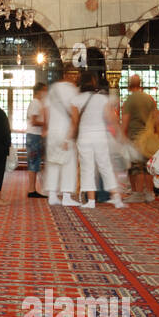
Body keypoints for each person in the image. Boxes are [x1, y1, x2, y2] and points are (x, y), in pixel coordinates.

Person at [72, 73, 126, 209]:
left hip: (84, 137)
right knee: (105, 166)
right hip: (100, 136)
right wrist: (119, 134)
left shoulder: (76, 100)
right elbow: (111, 118)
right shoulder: (102, 99)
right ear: (93, 82)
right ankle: (116, 198)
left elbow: (74, 122)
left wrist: (71, 137)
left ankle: (91, 201)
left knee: (87, 168)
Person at [43, 66, 81, 206]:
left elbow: (46, 110)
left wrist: (47, 127)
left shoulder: (53, 89)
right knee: (68, 164)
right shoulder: (73, 91)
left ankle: (52, 195)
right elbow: (75, 116)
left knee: (53, 163)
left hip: (53, 131)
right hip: (66, 131)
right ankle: (66, 196)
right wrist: (71, 135)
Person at [121, 74, 159, 202]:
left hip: (134, 137)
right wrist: (157, 134)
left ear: (129, 86)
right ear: (140, 84)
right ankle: (149, 193)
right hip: (148, 137)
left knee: (135, 167)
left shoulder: (129, 100)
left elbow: (125, 121)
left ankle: (136, 193)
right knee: (148, 167)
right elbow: (156, 117)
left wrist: (122, 137)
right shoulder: (149, 99)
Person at [25, 83, 47, 198]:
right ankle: (31, 190)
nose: (46, 93)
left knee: (35, 162)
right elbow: (33, 121)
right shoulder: (35, 103)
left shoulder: (38, 103)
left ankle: (32, 189)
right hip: (34, 136)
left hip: (35, 136)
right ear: (39, 91)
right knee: (33, 162)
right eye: (44, 90)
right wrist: (46, 123)